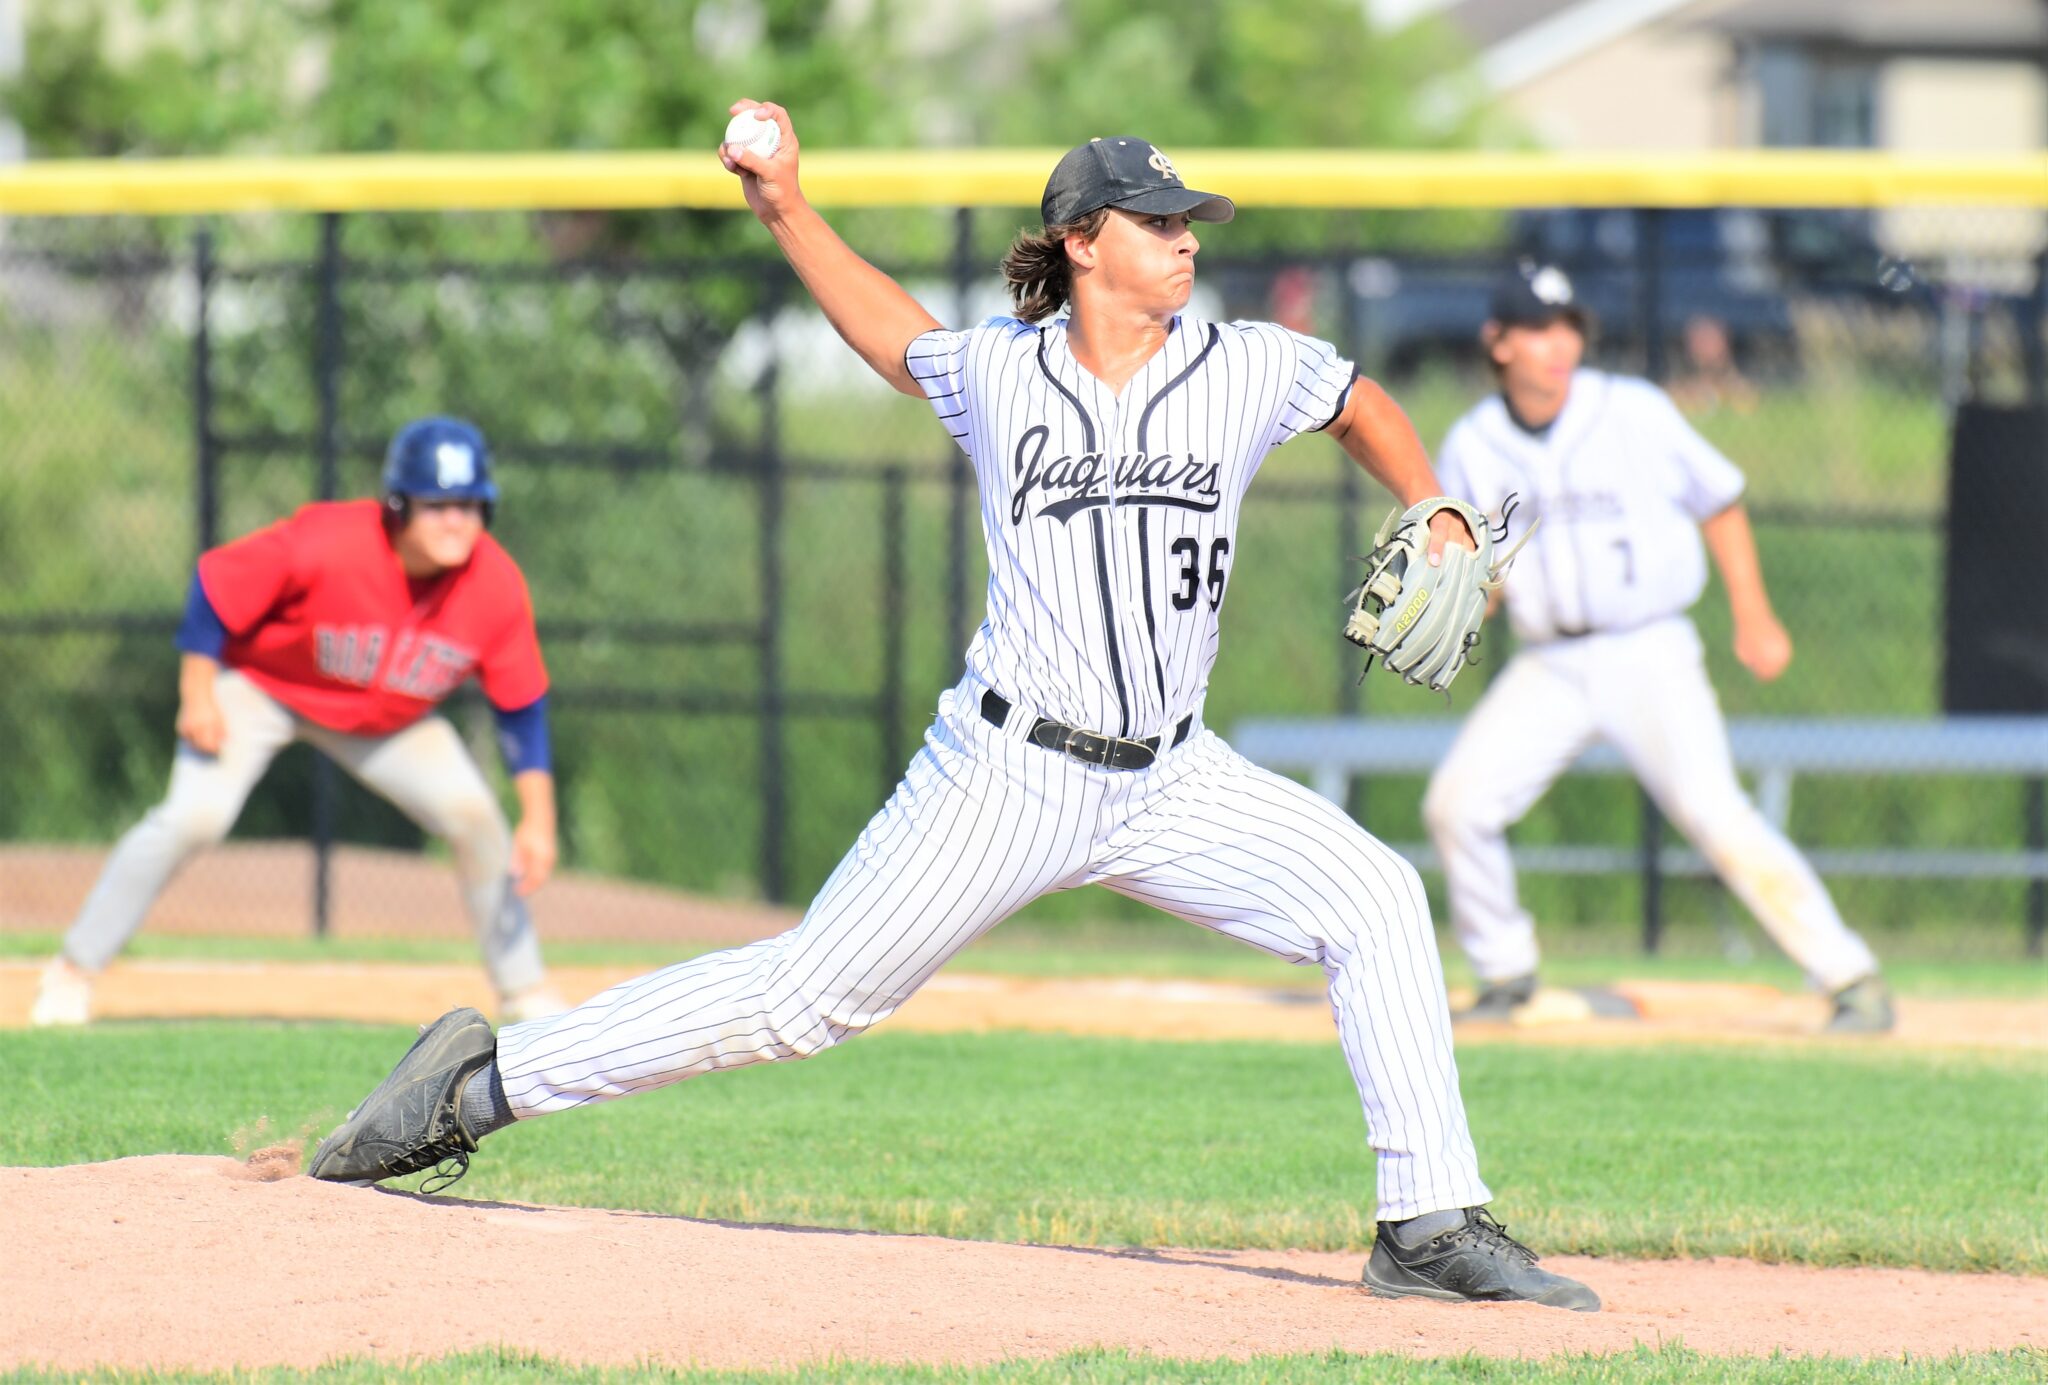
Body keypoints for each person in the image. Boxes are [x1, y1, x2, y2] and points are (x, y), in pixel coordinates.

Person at [308, 105, 1601, 1312]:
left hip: (1173, 779)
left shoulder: (1246, 364)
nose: (1187, 239)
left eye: (1190, 220)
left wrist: (1430, 502)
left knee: (1375, 899)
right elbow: (891, 335)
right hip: (1006, 772)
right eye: (1158, 220)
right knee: (799, 1003)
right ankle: (477, 1088)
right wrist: (784, 205)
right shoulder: (1001, 374)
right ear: (1083, 242)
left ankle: (1426, 1222)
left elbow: (1360, 401)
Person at [1421, 263, 1892, 1034]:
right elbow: (1480, 567)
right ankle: (1505, 970)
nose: (1559, 344)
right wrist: (1456, 603)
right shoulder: (1475, 441)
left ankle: (1851, 976)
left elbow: (1721, 499)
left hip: (1647, 651)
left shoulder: (1632, 411)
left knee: (1715, 814)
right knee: (1457, 804)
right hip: (1550, 663)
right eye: (1538, 329)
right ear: (1498, 342)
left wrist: (1754, 614)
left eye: (1568, 327)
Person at [29, 418, 568, 1027]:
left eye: (470, 505)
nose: (456, 521)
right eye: (437, 505)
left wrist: (540, 818)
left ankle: (523, 990)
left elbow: (520, 706)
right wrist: (198, 692)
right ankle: (72, 970)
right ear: (397, 505)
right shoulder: (329, 542)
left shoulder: (494, 585)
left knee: (477, 819)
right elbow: (216, 585)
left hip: (387, 721)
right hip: (266, 690)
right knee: (195, 817)